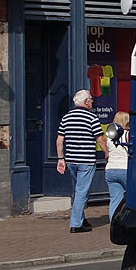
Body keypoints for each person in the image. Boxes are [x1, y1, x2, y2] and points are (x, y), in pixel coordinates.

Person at [56, 90, 106, 233]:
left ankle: (82, 220)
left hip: (71, 160)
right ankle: (76, 224)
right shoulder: (91, 118)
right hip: (86, 160)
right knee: (81, 192)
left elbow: (59, 139)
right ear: (85, 102)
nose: (92, 101)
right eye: (91, 99)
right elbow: (100, 138)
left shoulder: (66, 117)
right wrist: (107, 153)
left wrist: (61, 158)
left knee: (79, 190)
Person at [104, 111, 130, 223]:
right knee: (132, 198)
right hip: (125, 169)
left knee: (115, 200)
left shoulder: (110, 137)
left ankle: (113, 224)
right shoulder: (128, 134)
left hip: (110, 169)